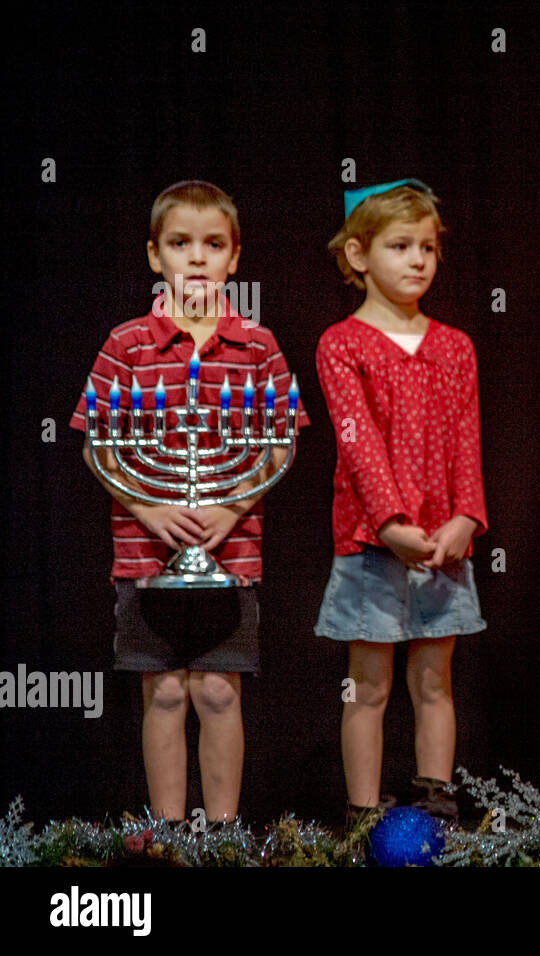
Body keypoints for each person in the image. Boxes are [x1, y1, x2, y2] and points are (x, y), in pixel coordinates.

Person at [71, 180, 304, 826]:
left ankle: (223, 834)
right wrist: (148, 510)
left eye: (212, 244)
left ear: (234, 257)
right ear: (154, 256)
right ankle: (169, 832)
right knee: (165, 692)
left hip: (233, 557)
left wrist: (230, 509)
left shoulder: (257, 345)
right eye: (180, 243)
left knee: (219, 692)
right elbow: (97, 442)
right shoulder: (127, 344)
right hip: (146, 556)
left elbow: (280, 442)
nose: (196, 258)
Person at [315, 180, 487, 826]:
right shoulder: (343, 343)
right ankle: (362, 811)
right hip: (371, 544)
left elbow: (468, 440)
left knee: (435, 681)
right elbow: (356, 443)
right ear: (358, 255)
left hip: (443, 543)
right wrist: (392, 526)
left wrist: (465, 518)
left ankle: (436, 802)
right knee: (369, 685)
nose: (418, 260)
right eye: (399, 246)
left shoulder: (455, 346)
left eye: (428, 247)